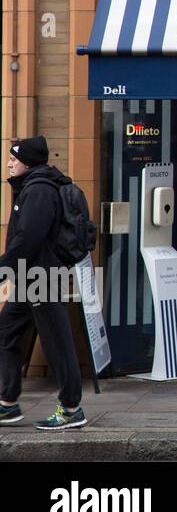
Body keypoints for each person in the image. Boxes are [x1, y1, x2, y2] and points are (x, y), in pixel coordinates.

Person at [0, 137, 86, 430]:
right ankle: (7, 403)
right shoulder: (33, 186)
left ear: (28, 162)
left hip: (42, 276)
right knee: (6, 332)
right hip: (30, 276)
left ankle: (71, 408)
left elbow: (29, 236)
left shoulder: (38, 190)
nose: (9, 163)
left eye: (14, 158)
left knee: (57, 342)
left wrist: (5, 266)